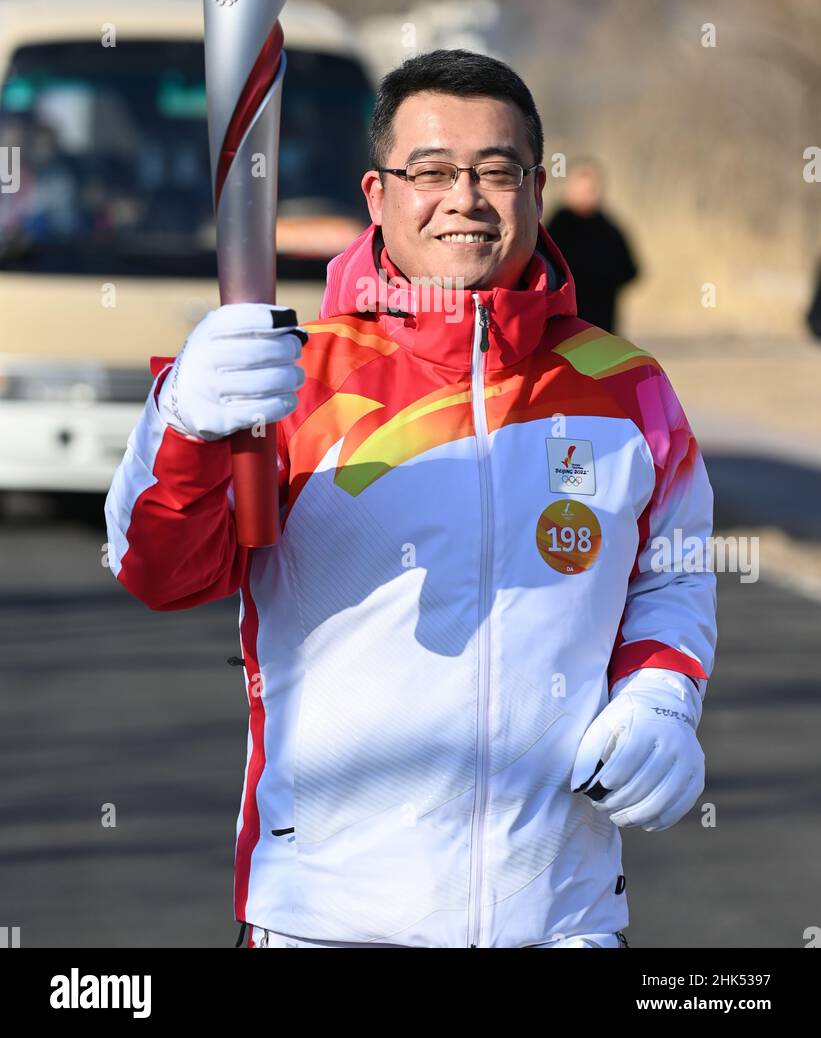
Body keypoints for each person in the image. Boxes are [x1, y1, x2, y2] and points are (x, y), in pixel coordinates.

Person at [104, 49, 717, 950]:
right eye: (428, 171)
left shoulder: (622, 387)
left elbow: (670, 575)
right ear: (377, 192)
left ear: (536, 189)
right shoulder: (292, 379)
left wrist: (661, 698)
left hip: (561, 918)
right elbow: (161, 569)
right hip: (328, 920)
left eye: (495, 170)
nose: (463, 197)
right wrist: (186, 424)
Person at [545, 157, 639, 333]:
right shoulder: (556, 228)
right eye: (584, 188)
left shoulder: (609, 228)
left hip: (603, 328)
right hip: (562, 328)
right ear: (569, 188)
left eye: (593, 188)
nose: (589, 193)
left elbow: (630, 271)